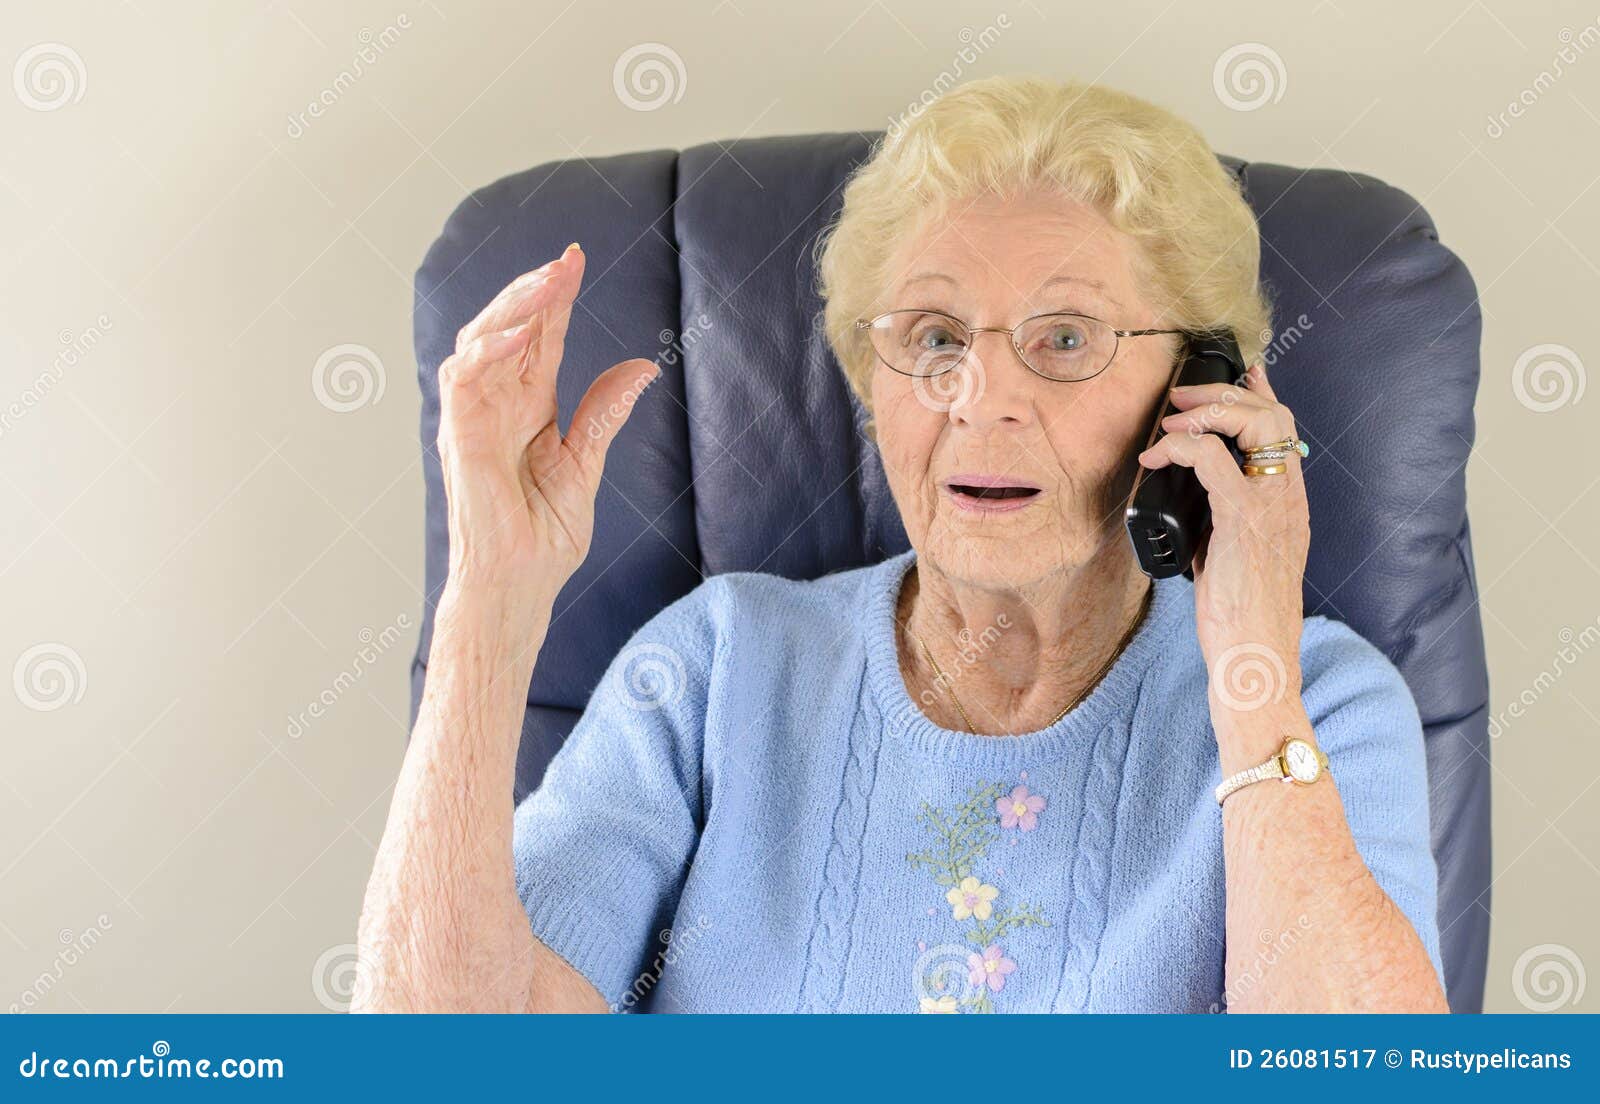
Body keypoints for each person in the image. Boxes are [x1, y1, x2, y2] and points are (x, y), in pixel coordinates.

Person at [354, 76, 1447, 1013]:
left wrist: (1251, 678)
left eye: (1063, 339)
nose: (982, 400)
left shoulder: (1322, 705)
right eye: (931, 338)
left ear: (1196, 389)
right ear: (873, 385)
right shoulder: (716, 667)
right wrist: (489, 597)